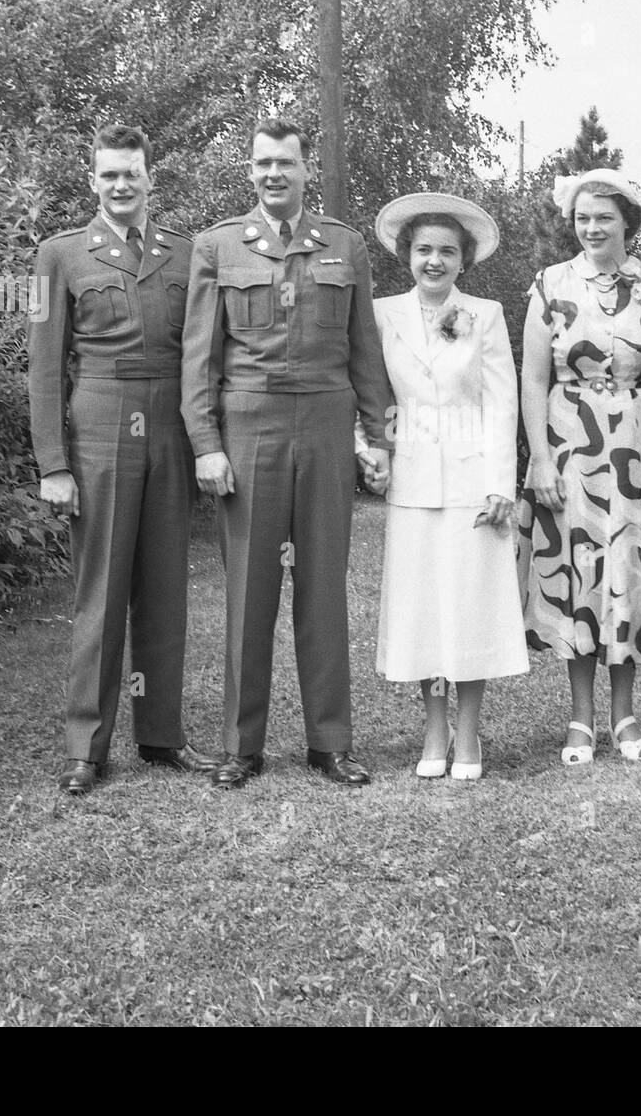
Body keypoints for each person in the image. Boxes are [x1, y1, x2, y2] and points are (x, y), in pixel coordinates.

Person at [181, 117, 393, 790]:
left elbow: (366, 351)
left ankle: (329, 742)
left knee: (324, 588)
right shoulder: (217, 247)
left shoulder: (344, 246)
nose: (275, 173)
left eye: (287, 163)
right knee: (249, 589)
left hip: (327, 429)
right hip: (250, 431)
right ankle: (241, 746)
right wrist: (206, 446)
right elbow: (198, 361)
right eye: (264, 163)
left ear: (308, 170)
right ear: (251, 171)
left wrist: (375, 435)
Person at [29, 123, 221, 794]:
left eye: (130, 173)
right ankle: (88, 745)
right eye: (108, 174)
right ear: (93, 181)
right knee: (101, 593)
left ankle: (163, 735)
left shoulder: (184, 254)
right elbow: (45, 369)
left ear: (149, 178)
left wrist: (206, 443)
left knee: (165, 587)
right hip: (101, 427)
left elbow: (202, 356)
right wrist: (54, 464)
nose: (120, 184)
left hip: (168, 426)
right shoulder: (59, 256)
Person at [362, 193, 528, 781]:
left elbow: (501, 403)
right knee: (425, 611)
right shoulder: (381, 313)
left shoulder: (484, 313)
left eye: (447, 252)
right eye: (424, 250)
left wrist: (499, 484)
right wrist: (369, 452)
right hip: (410, 481)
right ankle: (434, 730)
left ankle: (469, 731)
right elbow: (367, 393)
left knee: (470, 609)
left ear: (464, 261)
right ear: (407, 255)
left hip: (472, 485)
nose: (434, 261)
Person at [519, 168, 641, 766]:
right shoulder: (549, 283)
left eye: (604, 218)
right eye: (583, 218)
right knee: (578, 570)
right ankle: (581, 717)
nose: (592, 228)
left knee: (632, 564)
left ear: (626, 223)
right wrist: (538, 455)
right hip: (569, 443)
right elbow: (534, 376)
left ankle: (626, 714)